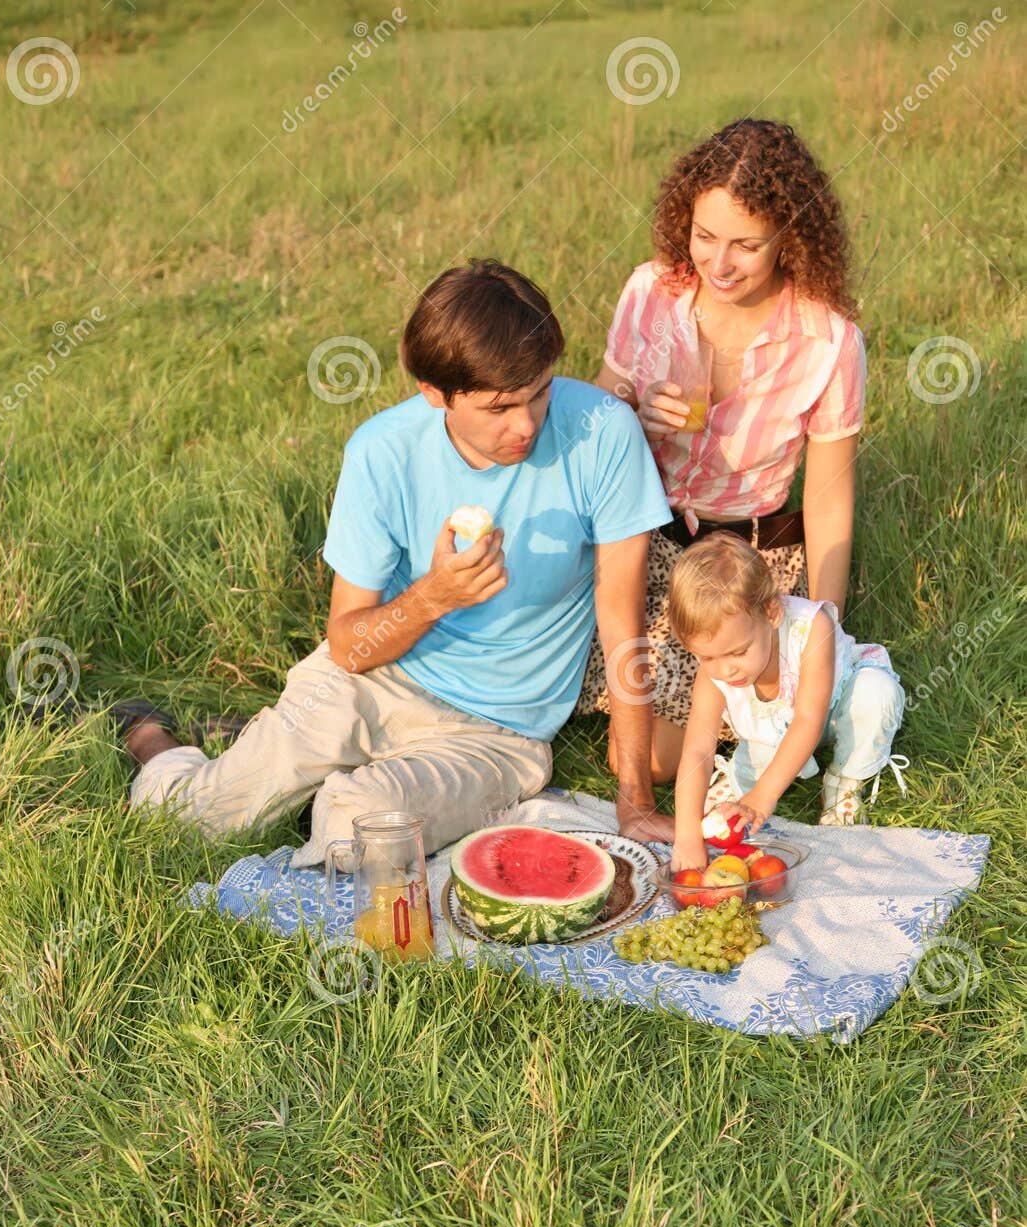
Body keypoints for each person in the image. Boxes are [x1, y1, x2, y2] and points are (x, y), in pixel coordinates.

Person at [124, 260, 675, 864]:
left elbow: (623, 625)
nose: (527, 424)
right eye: (499, 408)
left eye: (541, 393)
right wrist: (434, 597)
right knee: (189, 819)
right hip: (373, 681)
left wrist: (635, 803)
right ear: (435, 394)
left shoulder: (603, 432)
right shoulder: (381, 452)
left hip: (496, 735)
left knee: (363, 833)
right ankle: (154, 740)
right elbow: (350, 646)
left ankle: (304, 771)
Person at [575, 117, 866, 801]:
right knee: (639, 756)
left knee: (676, 748)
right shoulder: (650, 291)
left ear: (788, 239)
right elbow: (589, 427)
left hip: (749, 563)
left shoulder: (828, 338)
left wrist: (817, 634)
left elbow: (826, 499)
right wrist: (630, 416)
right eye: (704, 237)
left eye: (746, 245)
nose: (719, 263)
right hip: (649, 547)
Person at [667, 533, 905, 868]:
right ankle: (739, 784)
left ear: (772, 613)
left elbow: (808, 719)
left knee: (875, 694)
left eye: (738, 651)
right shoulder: (717, 666)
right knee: (753, 768)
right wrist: (686, 836)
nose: (724, 669)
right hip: (775, 730)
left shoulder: (812, 628)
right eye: (707, 658)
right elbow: (696, 749)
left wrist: (762, 799)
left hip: (836, 710)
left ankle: (844, 779)